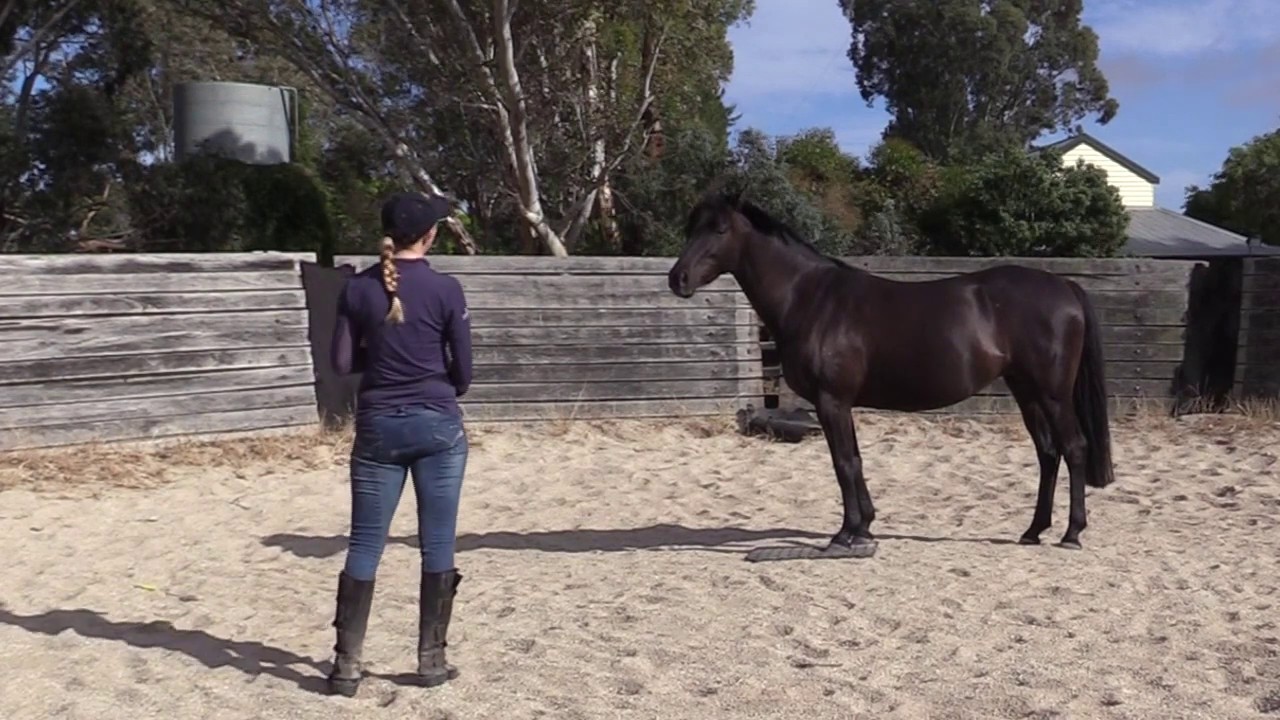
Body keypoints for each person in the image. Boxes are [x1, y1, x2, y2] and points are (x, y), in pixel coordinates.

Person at [324, 190, 473, 697]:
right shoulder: (447, 289)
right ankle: (430, 659)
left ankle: (346, 665)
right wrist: (432, 378)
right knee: (437, 541)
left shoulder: (358, 290)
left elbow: (342, 365)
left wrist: (384, 369)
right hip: (437, 425)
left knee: (365, 543)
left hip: (378, 427)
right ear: (430, 235)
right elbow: (465, 375)